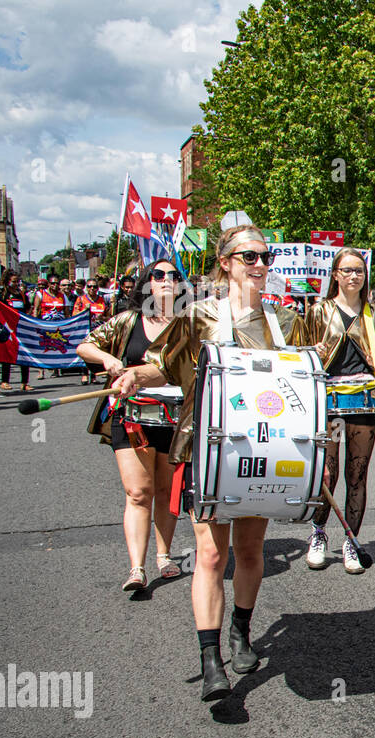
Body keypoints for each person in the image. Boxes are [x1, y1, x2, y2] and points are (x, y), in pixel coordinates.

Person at [112, 225, 297, 703]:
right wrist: (134, 374)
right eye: (250, 256)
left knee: (250, 552)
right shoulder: (198, 317)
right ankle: (210, 657)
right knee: (212, 555)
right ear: (227, 262)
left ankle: (241, 629)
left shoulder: (282, 323)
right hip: (207, 449)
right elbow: (164, 363)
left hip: (262, 452)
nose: (260, 265)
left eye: (266, 256)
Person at [293, 249, 375, 573]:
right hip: (327, 404)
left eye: (359, 270)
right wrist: (309, 352)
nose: (354, 276)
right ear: (335, 275)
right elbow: (295, 353)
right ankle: (318, 534)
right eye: (347, 270)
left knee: (356, 475)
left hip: (364, 404)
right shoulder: (318, 312)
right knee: (325, 473)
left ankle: (351, 540)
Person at [77, 260, 184, 591]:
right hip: (131, 416)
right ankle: (137, 568)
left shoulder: (189, 323)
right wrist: (108, 359)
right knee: (139, 492)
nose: (167, 280)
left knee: (167, 492)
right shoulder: (128, 320)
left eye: (174, 276)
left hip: (175, 418)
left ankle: (164, 555)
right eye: (159, 275)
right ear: (147, 284)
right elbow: (85, 345)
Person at [0, 270, 32, 391]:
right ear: (7, 281)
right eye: (13, 281)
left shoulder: (21, 295)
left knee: (24, 354)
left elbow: (28, 308)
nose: (16, 284)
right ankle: (5, 381)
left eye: (17, 281)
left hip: (20, 328)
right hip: (7, 329)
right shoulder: (2, 294)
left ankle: (24, 383)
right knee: (7, 354)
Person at [74, 279, 109, 384]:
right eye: (90, 286)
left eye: (94, 287)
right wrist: (84, 311)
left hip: (98, 330)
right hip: (85, 330)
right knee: (86, 353)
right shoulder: (81, 299)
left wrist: (102, 317)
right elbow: (74, 315)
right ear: (86, 288)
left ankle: (94, 375)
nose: (92, 289)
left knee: (96, 353)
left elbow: (109, 317)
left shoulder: (102, 300)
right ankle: (84, 374)